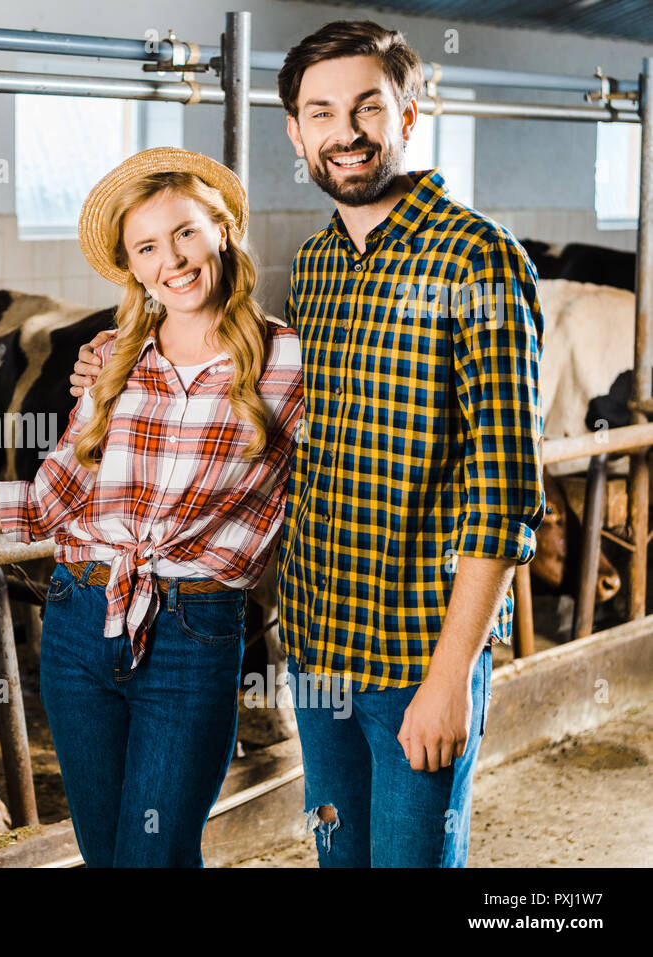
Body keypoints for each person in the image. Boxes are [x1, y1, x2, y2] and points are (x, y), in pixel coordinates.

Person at [70, 22, 545, 868]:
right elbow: (231, 377)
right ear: (295, 132)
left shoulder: (480, 257)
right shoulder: (319, 265)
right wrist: (115, 363)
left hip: (414, 653)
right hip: (319, 648)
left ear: (408, 112)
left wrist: (450, 679)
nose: (347, 131)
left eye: (368, 106)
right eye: (321, 112)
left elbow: (504, 490)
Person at [0, 147, 303, 867]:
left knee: (154, 854)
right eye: (147, 246)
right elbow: (49, 504)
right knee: (107, 855)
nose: (171, 259)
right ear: (132, 266)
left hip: (191, 631)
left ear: (222, 230)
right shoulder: (115, 359)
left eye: (185, 233)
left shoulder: (290, 362)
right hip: (78, 622)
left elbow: (346, 483)